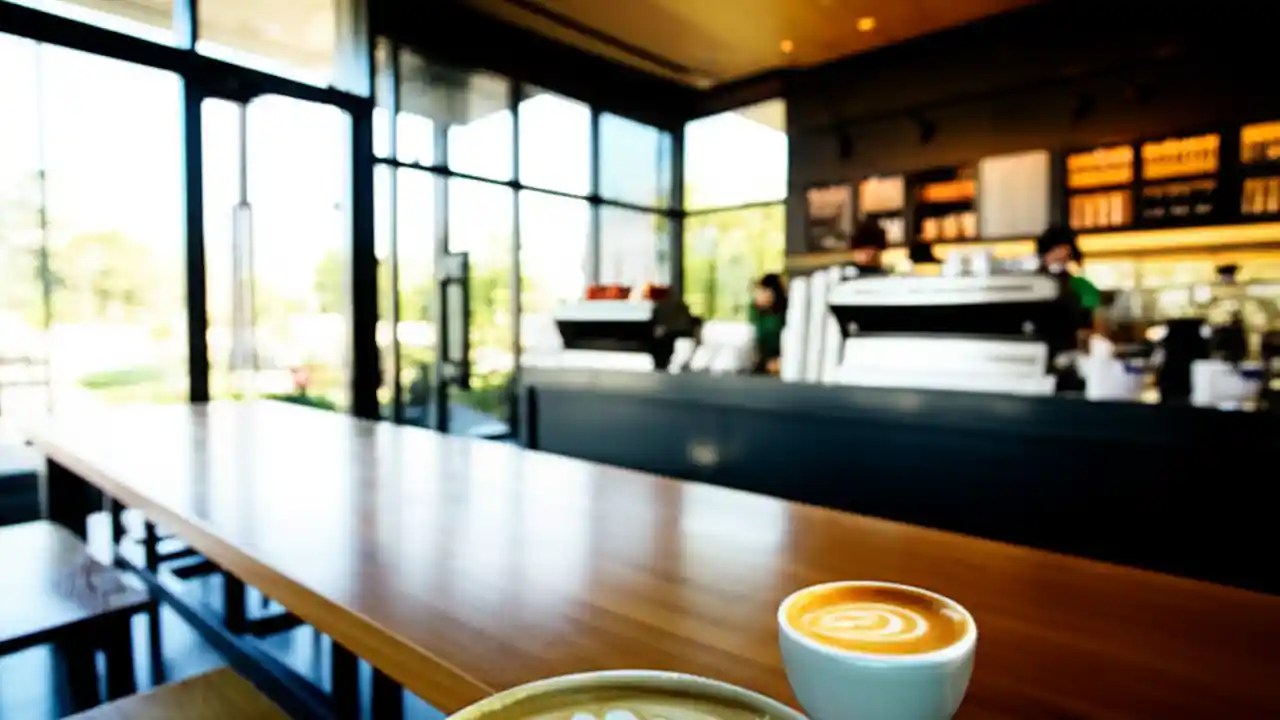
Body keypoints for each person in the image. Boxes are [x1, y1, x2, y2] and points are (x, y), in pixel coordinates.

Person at [1037, 225, 1100, 340]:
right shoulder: (1029, 287)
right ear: (1043, 255)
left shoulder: (1082, 287)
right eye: (1055, 258)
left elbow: (1087, 329)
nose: (1059, 264)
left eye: (1064, 259)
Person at [749, 273, 787, 375]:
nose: (758, 295)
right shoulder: (755, 312)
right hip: (759, 363)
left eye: (764, 291)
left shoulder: (784, 315)